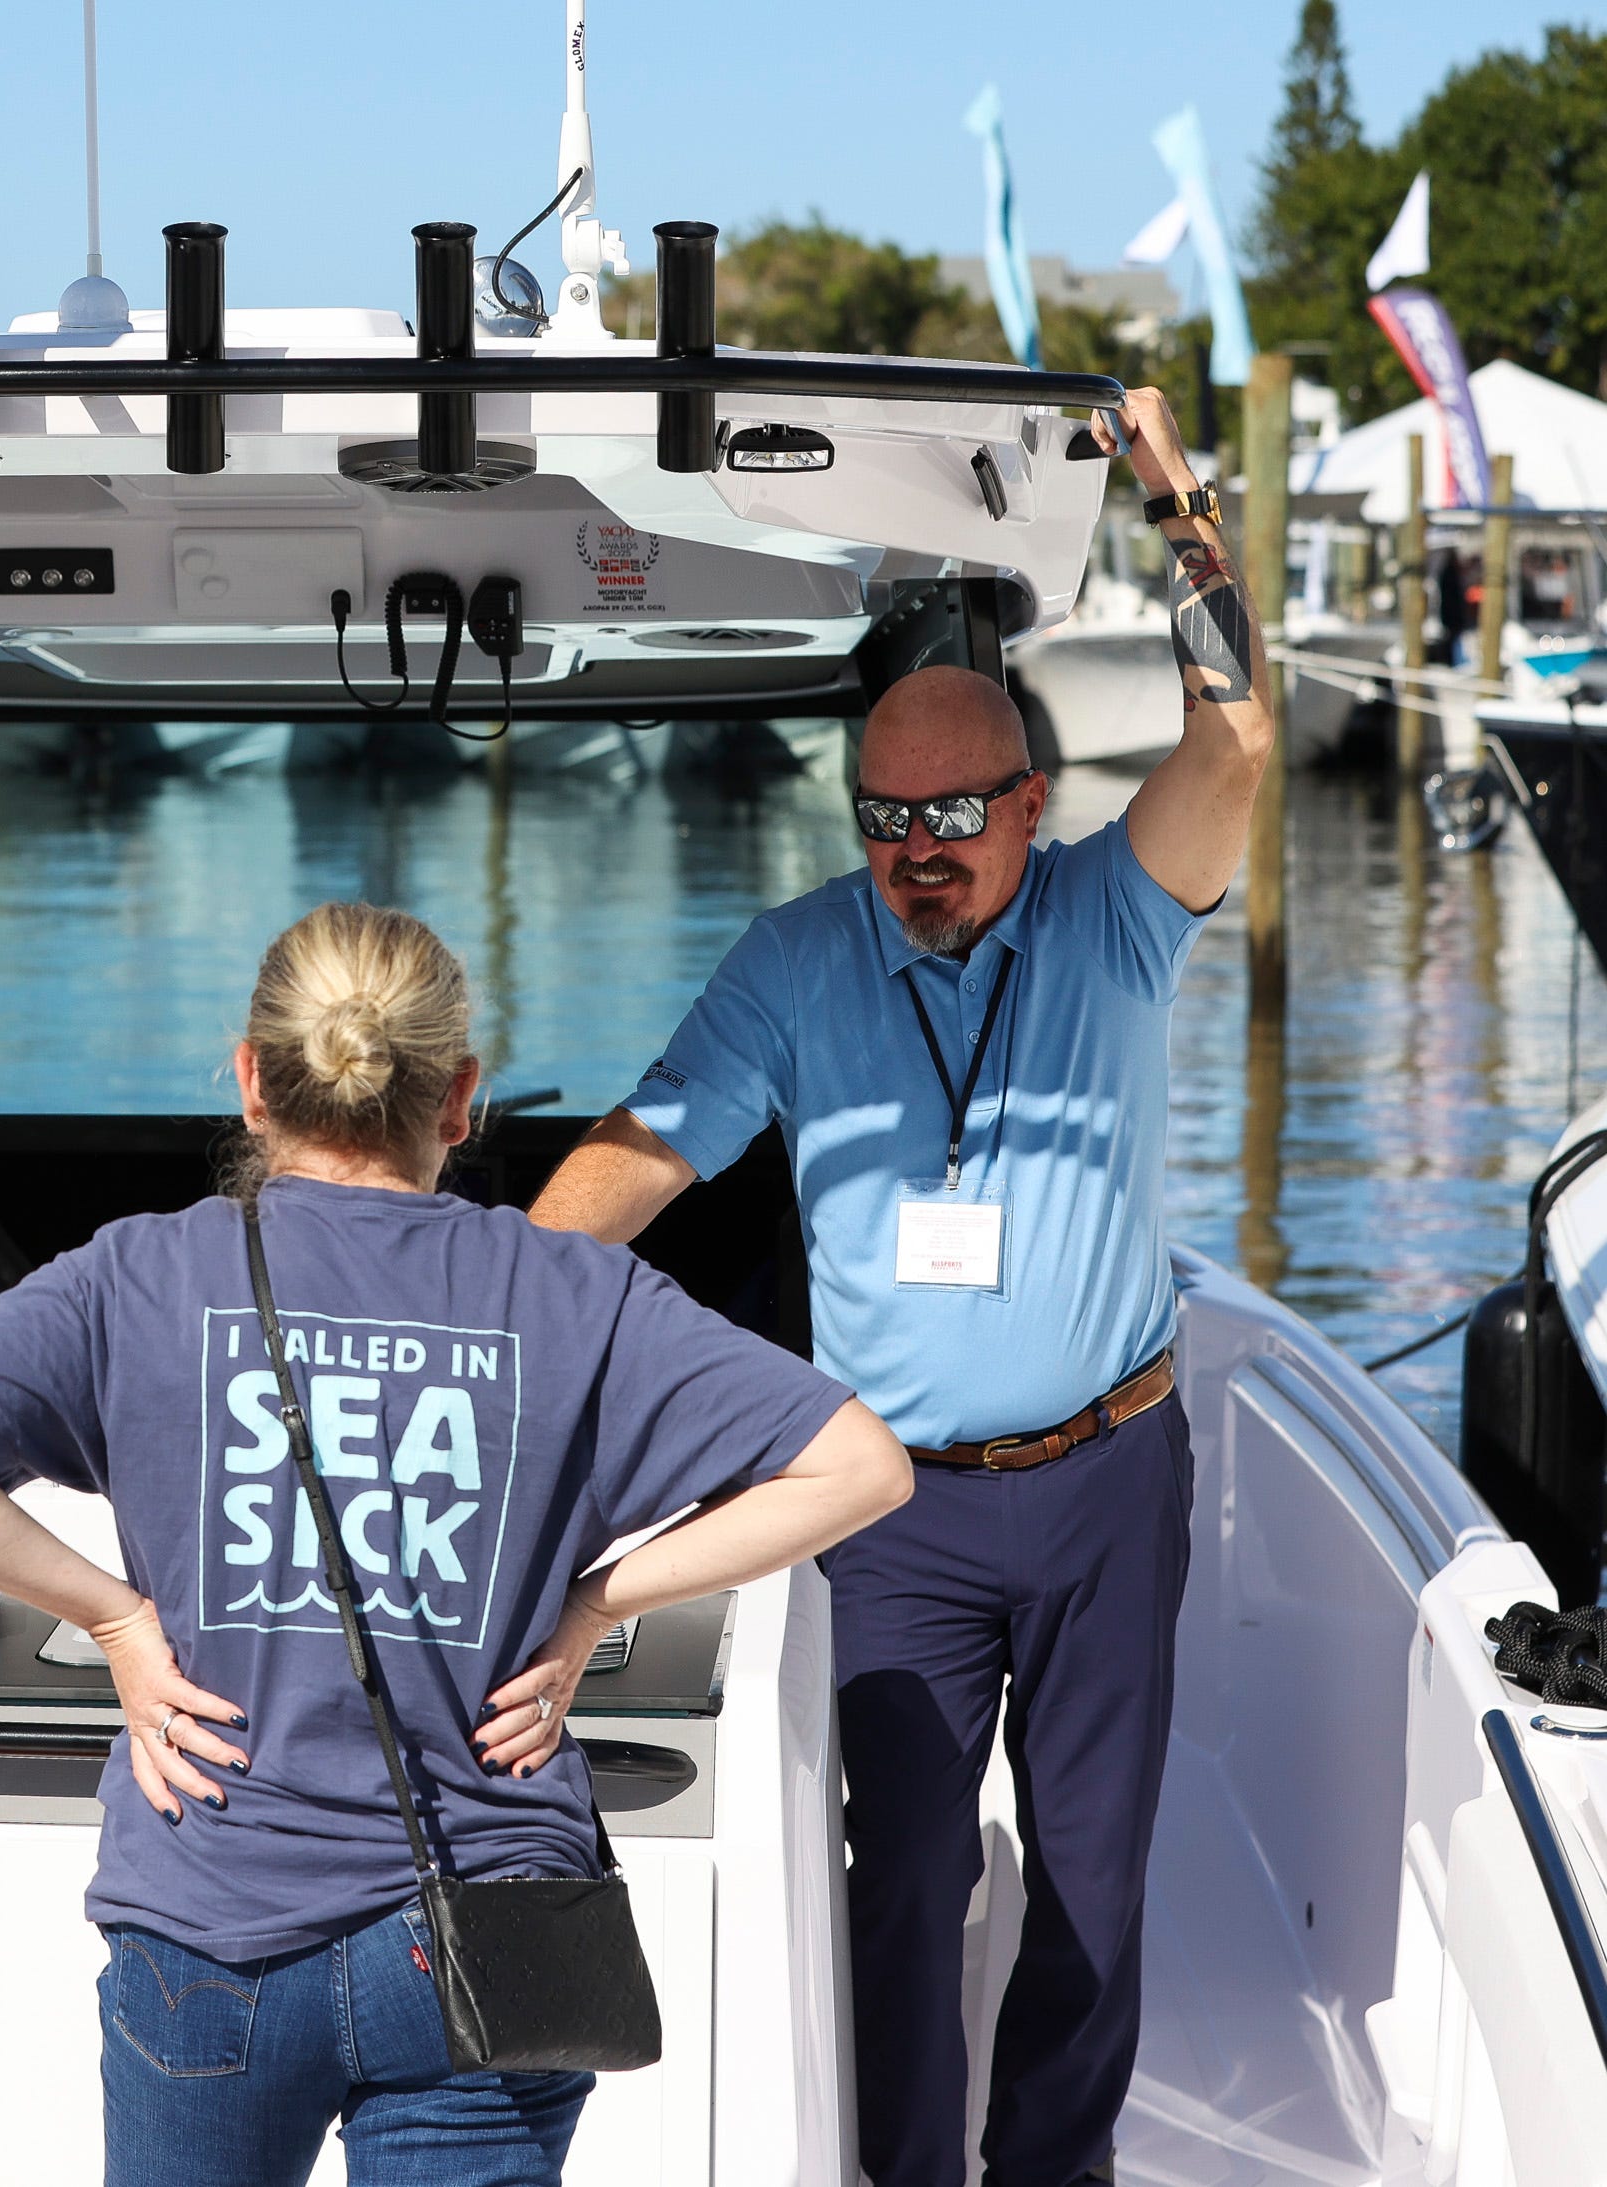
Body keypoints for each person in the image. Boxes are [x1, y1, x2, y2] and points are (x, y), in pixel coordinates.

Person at [0, 902, 911, 2187]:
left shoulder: (142, 1278)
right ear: (459, 1098)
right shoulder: (574, 1291)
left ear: (251, 1081)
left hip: (214, 1911)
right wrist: (598, 1605)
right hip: (485, 1930)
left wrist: (115, 1618)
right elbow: (862, 1467)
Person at [530, 387, 1275, 2187]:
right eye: (884, 817)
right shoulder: (798, 959)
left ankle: (1053, 2171)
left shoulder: (1117, 910)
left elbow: (1241, 736)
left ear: (1031, 802)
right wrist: (485, 1293)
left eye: (952, 813)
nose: (916, 850)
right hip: (892, 1504)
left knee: (1092, 1877)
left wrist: (1178, 500)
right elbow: (649, 1145)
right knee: (904, 1878)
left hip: (1106, 1478)